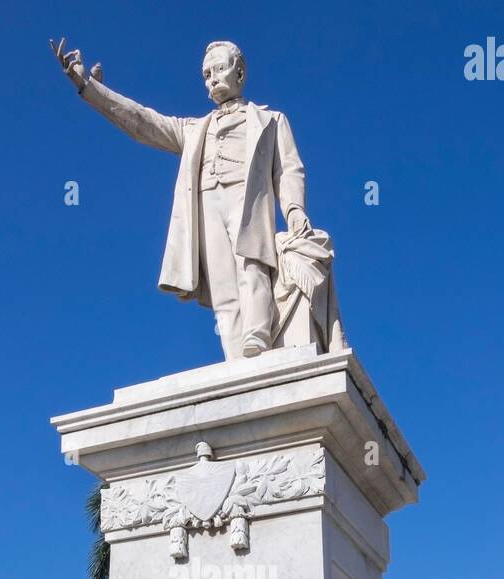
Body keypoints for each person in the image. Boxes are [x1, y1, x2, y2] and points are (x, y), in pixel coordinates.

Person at [51, 37, 311, 361]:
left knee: (252, 267)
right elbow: (142, 121)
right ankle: (235, 358)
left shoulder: (271, 121)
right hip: (207, 203)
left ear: (240, 72)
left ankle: (257, 341)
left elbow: (289, 170)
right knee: (223, 287)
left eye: (218, 69)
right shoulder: (193, 129)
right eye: (206, 74)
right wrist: (89, 87)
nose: (212, 78)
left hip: (247, 199)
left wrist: (295, 210)